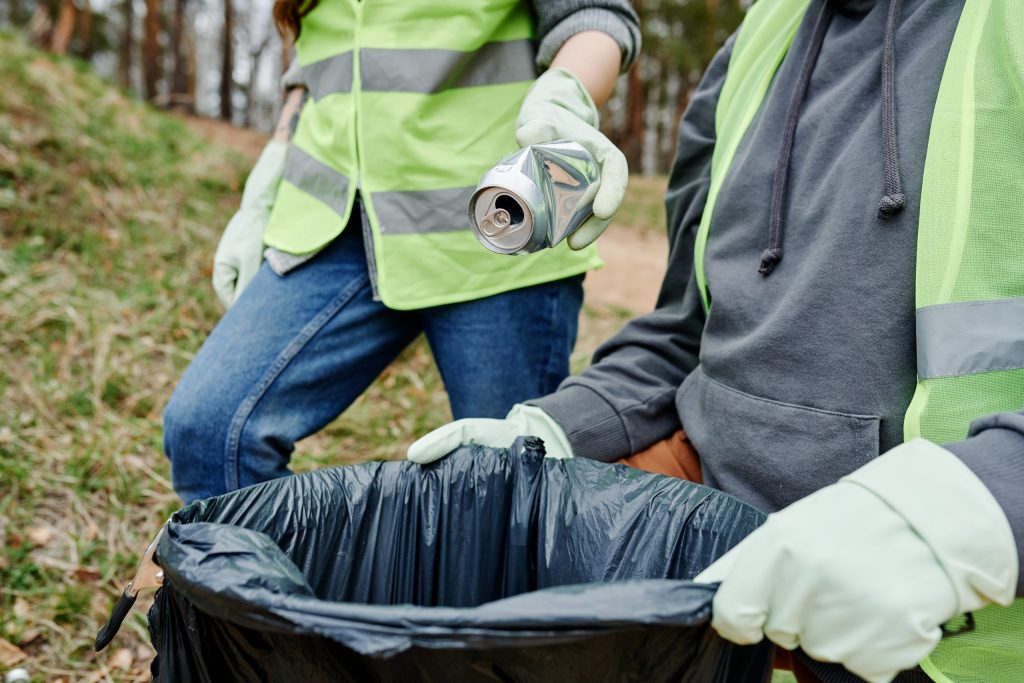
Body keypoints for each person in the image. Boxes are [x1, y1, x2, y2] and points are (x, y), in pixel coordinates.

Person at [408, 1, 1024, 682]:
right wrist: (551, 429)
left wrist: (972, 511)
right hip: (711, 524)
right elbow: (683, 330)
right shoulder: (764, 34)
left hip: (933, 612)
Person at [161, 0, 640, 504]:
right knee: (211, 432)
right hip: (330, 226)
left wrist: (565, 96)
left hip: (496, 232)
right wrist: (278, 153)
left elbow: (595, 18)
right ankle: (294, 584)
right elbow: (326, 51)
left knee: (510, 496)